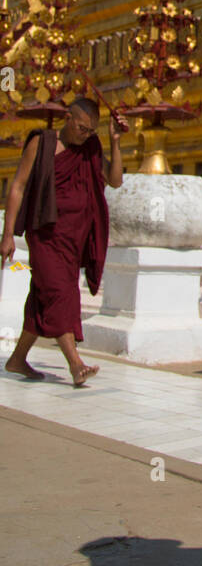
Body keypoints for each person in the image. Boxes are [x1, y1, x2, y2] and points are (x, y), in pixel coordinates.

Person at [1, 96, 124, 387]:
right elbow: (17, 186)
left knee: (45, 296)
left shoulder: (91, 147)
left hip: (74, 238)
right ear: (68, 119)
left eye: (91, 131)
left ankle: (17, 359)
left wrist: (115, 141)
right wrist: (8, 235)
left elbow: (115, 180)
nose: (86, 135)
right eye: (82, 128)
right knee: (60, 293)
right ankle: (75, 364)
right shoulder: (41, 144)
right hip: (45, 233)